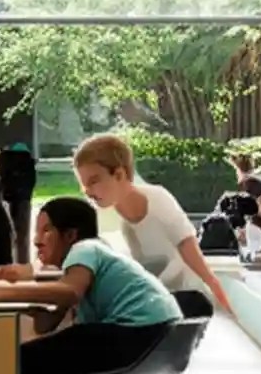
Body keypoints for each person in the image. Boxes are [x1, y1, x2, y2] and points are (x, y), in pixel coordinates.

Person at [0, 197, 183, 374]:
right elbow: (46, 325)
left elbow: (69, 292)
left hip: (138, 332)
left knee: (26, 360)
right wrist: (36, 305)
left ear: (70, 235)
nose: (37, 241)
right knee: (56, 359)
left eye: (46, 231)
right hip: (168, 335)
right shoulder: (95, 259)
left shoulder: (84, 247)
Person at [71, 134, 233, 313]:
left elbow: (187, 245)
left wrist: (216, 290)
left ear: (119, 174)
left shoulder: (158, 200)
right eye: (83, 185)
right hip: (152, 300)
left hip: (186, 296)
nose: (87, 191)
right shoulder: (106, 218)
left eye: (93, 181)